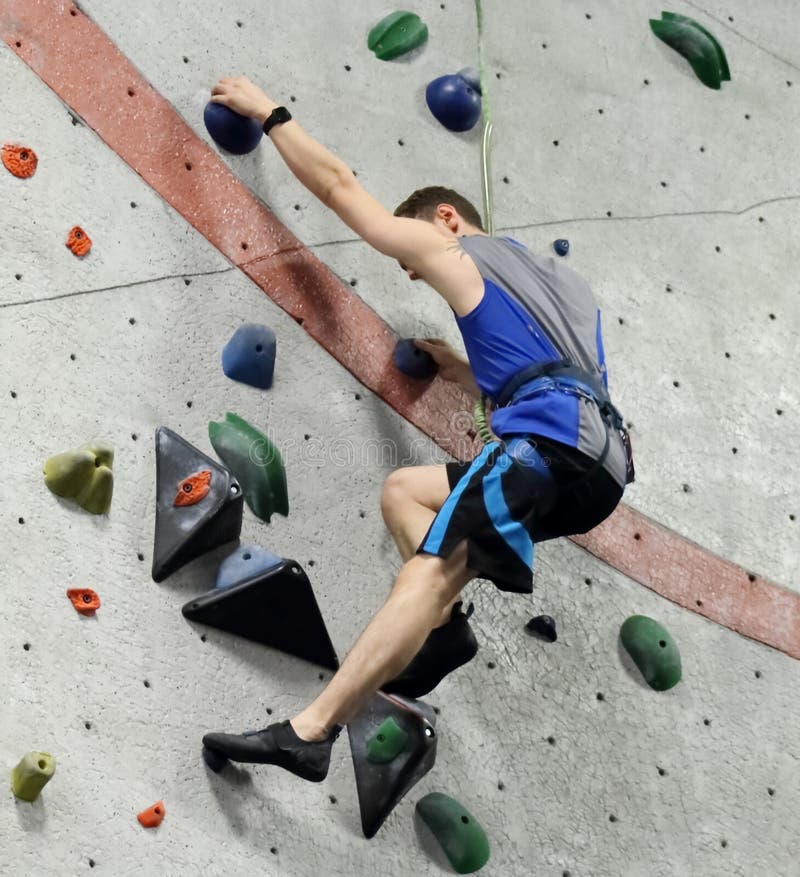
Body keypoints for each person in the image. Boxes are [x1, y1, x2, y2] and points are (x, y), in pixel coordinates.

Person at [202, 77, 633, 782]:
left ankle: (311, 731)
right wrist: (465, 372)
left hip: (551, 446)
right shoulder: (567, 286)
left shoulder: (456, 250)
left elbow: (345, 191)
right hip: (599, 464)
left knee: (430, 572)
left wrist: (269, 114)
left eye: (415, 262)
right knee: (405, 491)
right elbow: (553, 374)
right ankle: (443, 631)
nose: (418, 272)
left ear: (445, 220)